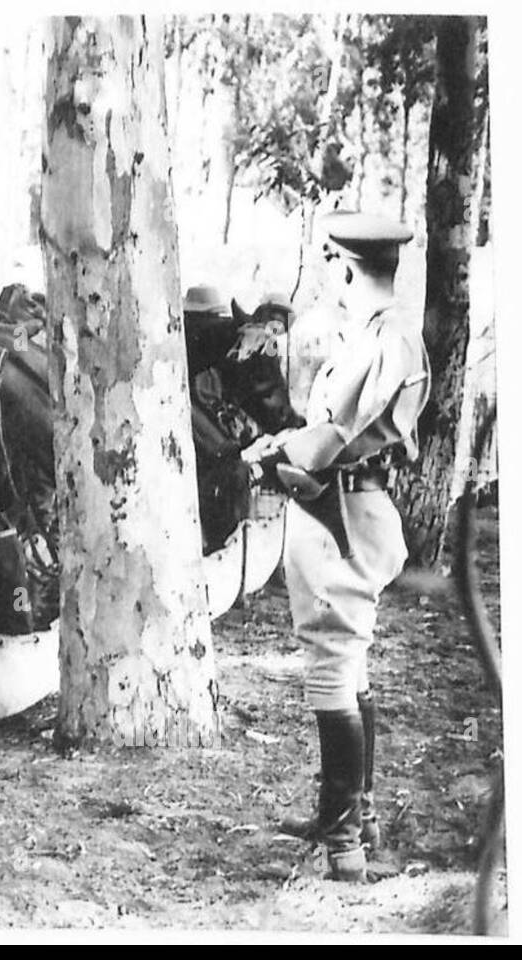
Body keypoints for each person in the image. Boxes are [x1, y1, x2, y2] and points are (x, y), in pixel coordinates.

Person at [247, 211, 430, 883]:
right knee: (351, 667)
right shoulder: (388, 335)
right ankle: (353, 812)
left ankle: (346, 840)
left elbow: (330, 435)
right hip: (353, 502)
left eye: (332, 265)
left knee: (331, 666)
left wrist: (270, 453)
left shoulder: (379, 342)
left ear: (347, 267)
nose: (331, 278)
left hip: (340, 509)